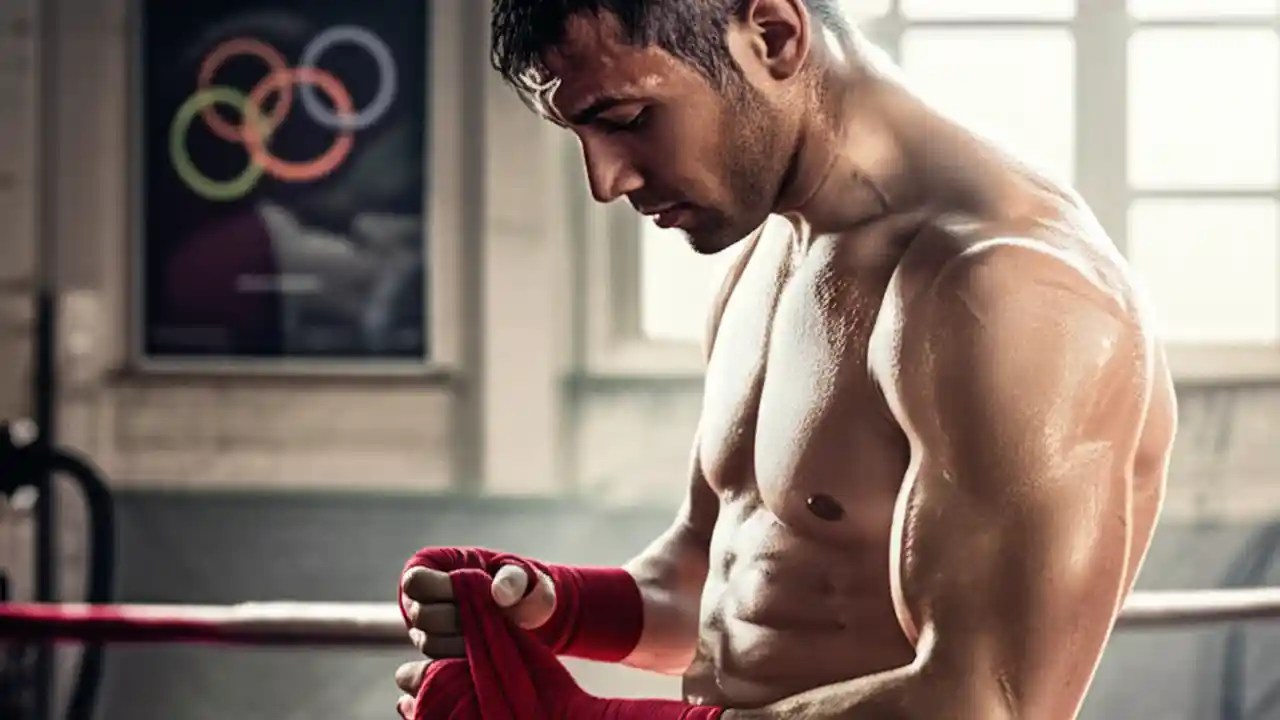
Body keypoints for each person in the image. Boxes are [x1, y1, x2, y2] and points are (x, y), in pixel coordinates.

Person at [395, 1, 1177, 717]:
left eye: (628, 118)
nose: (607, 180)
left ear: (770, 35)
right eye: (581, 135)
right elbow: (713, 583)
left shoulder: (1007, 288)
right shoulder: (766, 251)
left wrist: (580, 719)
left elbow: (988, 701)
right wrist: (552, 604)